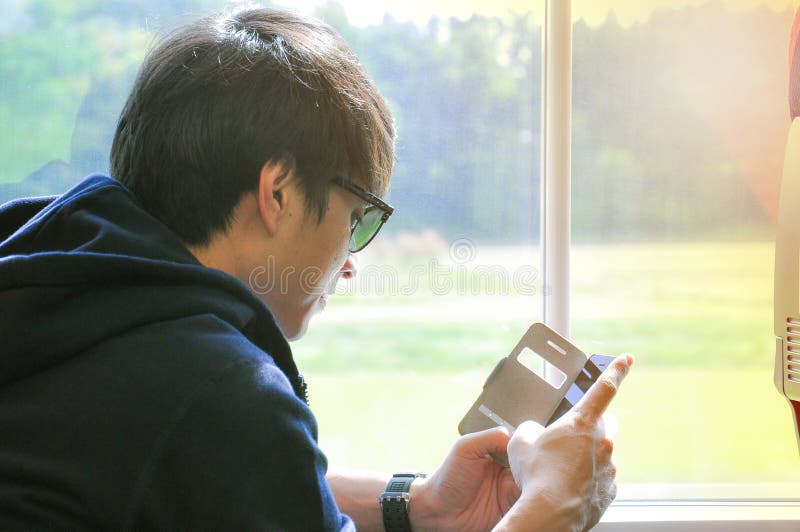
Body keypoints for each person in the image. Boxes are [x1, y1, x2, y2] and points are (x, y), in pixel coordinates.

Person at [0, 6, 632, 531]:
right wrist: (554, 509)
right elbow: (233, 439)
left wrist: (419, 505)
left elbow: (217, 476)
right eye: (356, 218)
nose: (351, 265)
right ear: (277, 193)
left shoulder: (68, 287)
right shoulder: (222, 387)